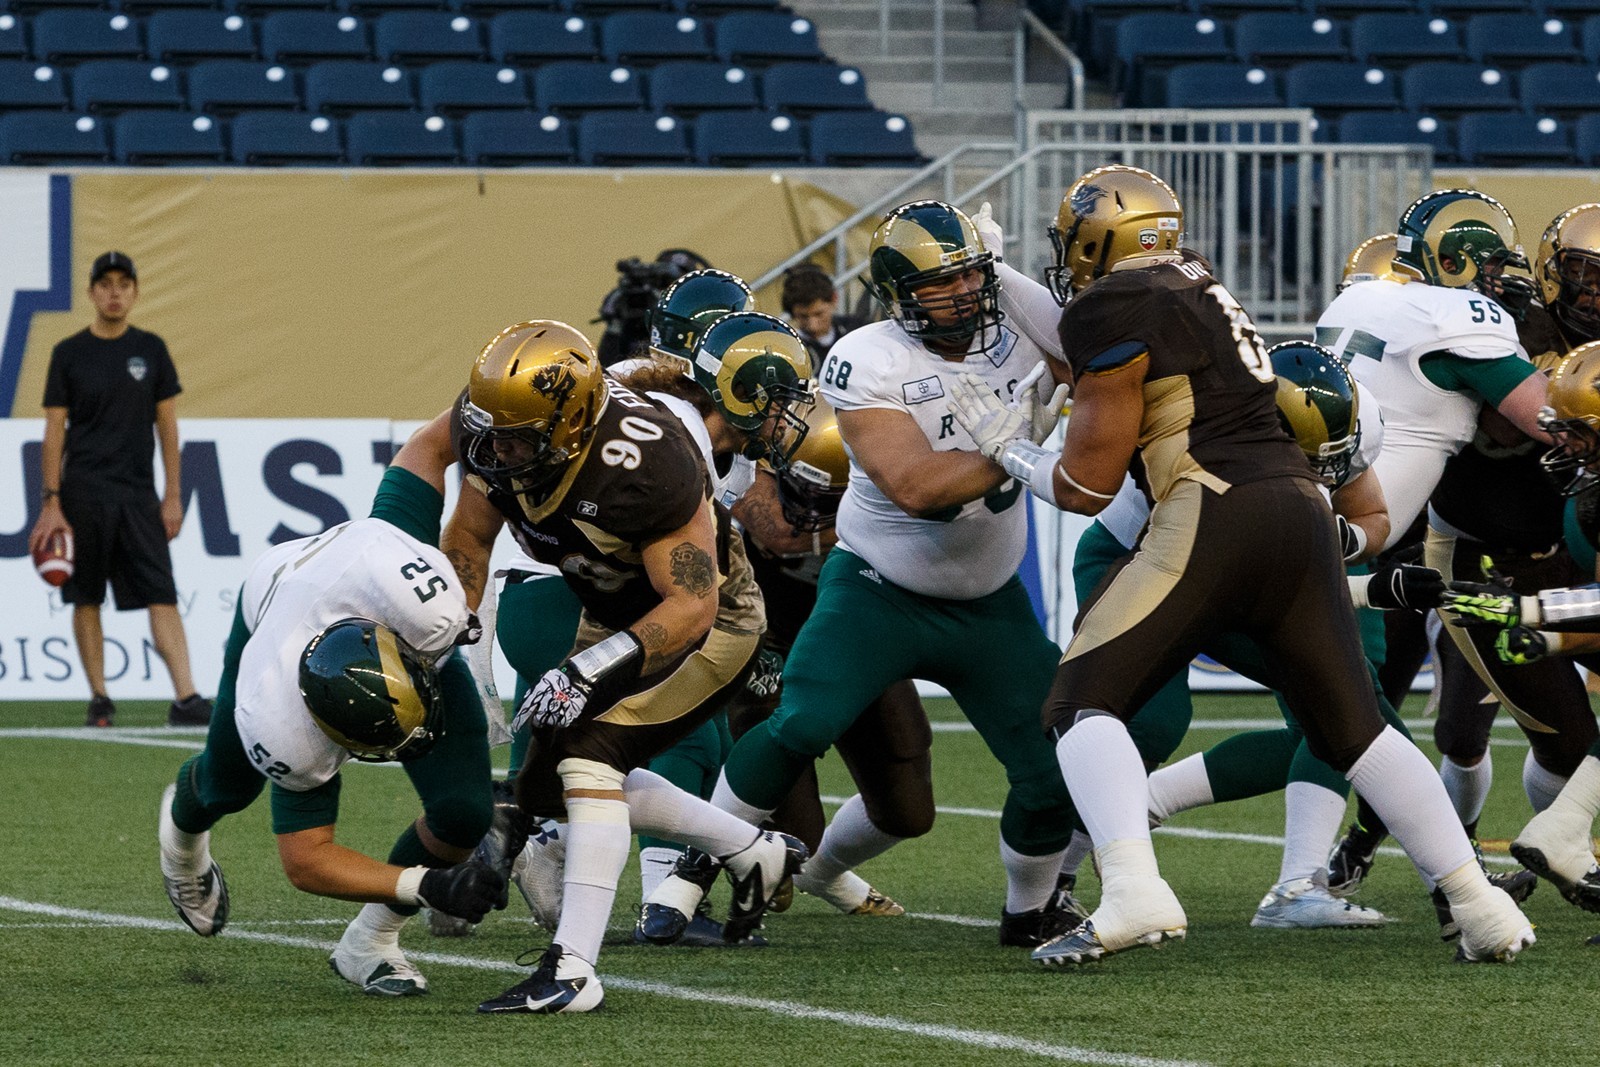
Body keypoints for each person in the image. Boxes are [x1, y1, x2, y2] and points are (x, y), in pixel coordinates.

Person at [957, 164, 1533, 965]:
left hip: (1212, 506)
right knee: (1357, 729)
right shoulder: (1194, 283)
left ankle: (1132, 889)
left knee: (1080, 702)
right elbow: (1079, 339)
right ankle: (1479, 903)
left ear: (1097, 242)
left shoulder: (1113, 305)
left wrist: (1008, 449)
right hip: (1300, 512)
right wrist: (1000, 274)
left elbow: (1085, 487)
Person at [702, 199, 1086, 949]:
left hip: (988, 598)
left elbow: (1086, 353)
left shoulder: (1014, 334)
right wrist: (1011, 450)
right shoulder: (867, 356)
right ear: (898, 296)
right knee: (802, 722)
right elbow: (916, 486)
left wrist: (1006, 275)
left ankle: (1028, 911)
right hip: (878, 587)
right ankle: (698, 863)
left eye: (972, 275)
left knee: (1054, 765)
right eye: (943, 281)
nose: (964, 293)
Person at [441, 320, 811, 1014]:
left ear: (573, 424)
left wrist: (585, 671)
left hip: (710, 622)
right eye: (493, 433)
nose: (499, 450)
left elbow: (692, 604)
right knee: (545, 786)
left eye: (519, 437)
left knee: (589, 757)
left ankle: (574, 969)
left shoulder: (646, 465)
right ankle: (750, 848)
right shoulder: (493, 430)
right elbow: (468, 535)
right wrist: (449, 634)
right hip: (612, 611)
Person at [155, 414, 508, 997]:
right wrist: (424, 885)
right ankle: (180, 843)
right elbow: (307, 860)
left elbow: (428, 444)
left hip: (380, 610)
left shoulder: (419, 600)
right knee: (227, 785)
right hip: (271, 606)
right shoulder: (280, 716)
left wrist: (489, 412)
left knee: (464, 812)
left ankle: (369, 942)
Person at [29, 251, 210, 729]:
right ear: (92, 292)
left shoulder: (151, 349)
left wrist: (173, 495)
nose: (114, 293)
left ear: (135, 292)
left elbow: (168, 427)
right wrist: (51, 502)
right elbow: (54, 431)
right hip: (82, 494)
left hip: (138, 496)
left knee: (161, 592)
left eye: (123, 284)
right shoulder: (68, 353)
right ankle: (100, 698)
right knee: (86, 596)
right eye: (105, 284)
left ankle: (186, 697)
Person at [781, 264, 864, 362]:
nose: (813, 326)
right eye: (803, 317)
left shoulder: (858, 330)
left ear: (834, 299)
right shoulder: (789, 350)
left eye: (819, 314)